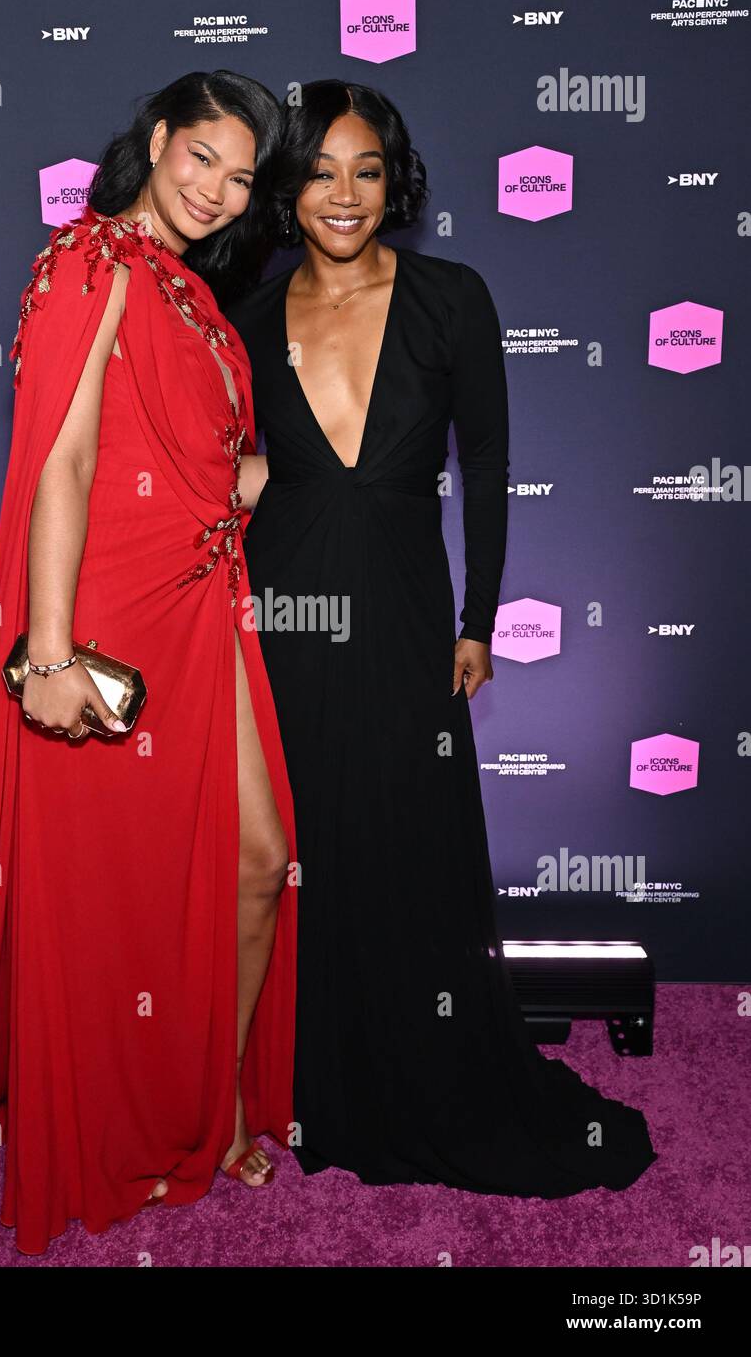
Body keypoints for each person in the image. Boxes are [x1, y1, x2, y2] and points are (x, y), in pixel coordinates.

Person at [0, 71, 298, 1256]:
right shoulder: (88, 259)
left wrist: (246, 485)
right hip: (112, 621)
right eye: (201, 157)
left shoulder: (194, 290)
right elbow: (65, 459)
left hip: (207, 604)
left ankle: (212, 1101)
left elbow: (218, 459)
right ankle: (124, 1124)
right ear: (155, 141)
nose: (217, 190)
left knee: (259, 860)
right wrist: (48, 654)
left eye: (242, 177)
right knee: (116, 891)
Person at [227, 80, 658, 1196]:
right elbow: (227, 464)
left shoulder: (450, 296)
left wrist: (479, 620)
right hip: (281, 611)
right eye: (318, 171)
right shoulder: (252, 313)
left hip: (410, 607)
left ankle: (414, 1072)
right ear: (286, 190)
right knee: (297, 848)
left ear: (395, 181)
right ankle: (306, 1087)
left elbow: (491, 465)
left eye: (366, 170)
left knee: (405, 847)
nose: (342, 194)